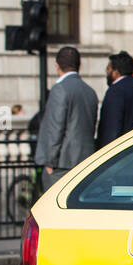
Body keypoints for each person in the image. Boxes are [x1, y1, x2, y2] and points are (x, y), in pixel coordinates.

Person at [35, 46, 98, 189]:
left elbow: (55, 128)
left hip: (62, 165)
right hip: (86, 162)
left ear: (56, 66)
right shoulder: (90, 91)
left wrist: (50, 161)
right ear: (79, 65)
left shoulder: (59, 89)